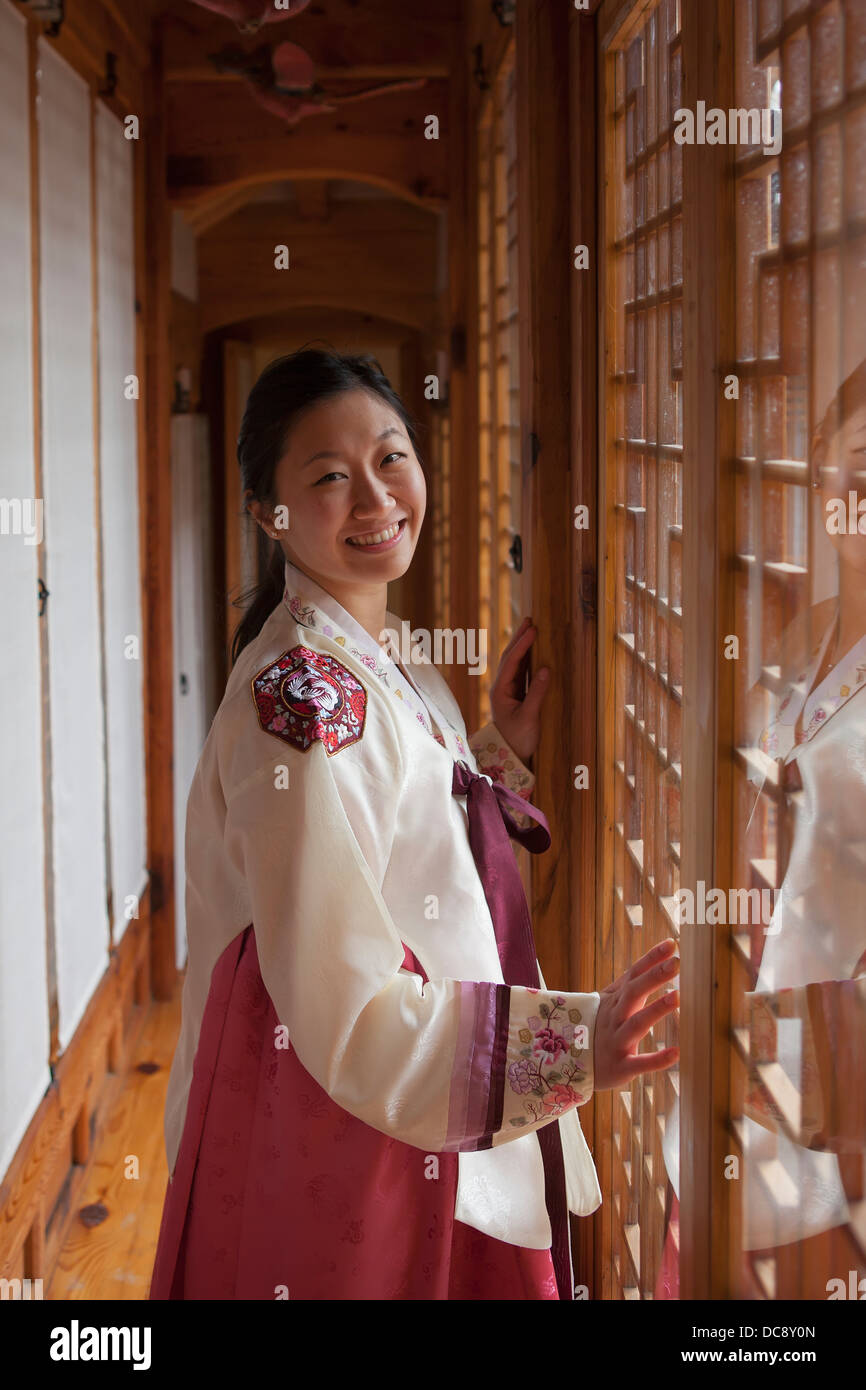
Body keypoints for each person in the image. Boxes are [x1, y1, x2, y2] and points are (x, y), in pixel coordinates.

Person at [149, 347, 680, 1301]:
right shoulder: (304, 699)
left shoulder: (372, 648)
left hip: (397, 1088)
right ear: (268, 515)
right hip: (359, 1116)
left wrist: (493, 753)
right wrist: (573, 1046)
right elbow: (346, 1001)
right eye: (326, 478)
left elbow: (398, 838)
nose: (374, 497)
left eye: (390, 457)